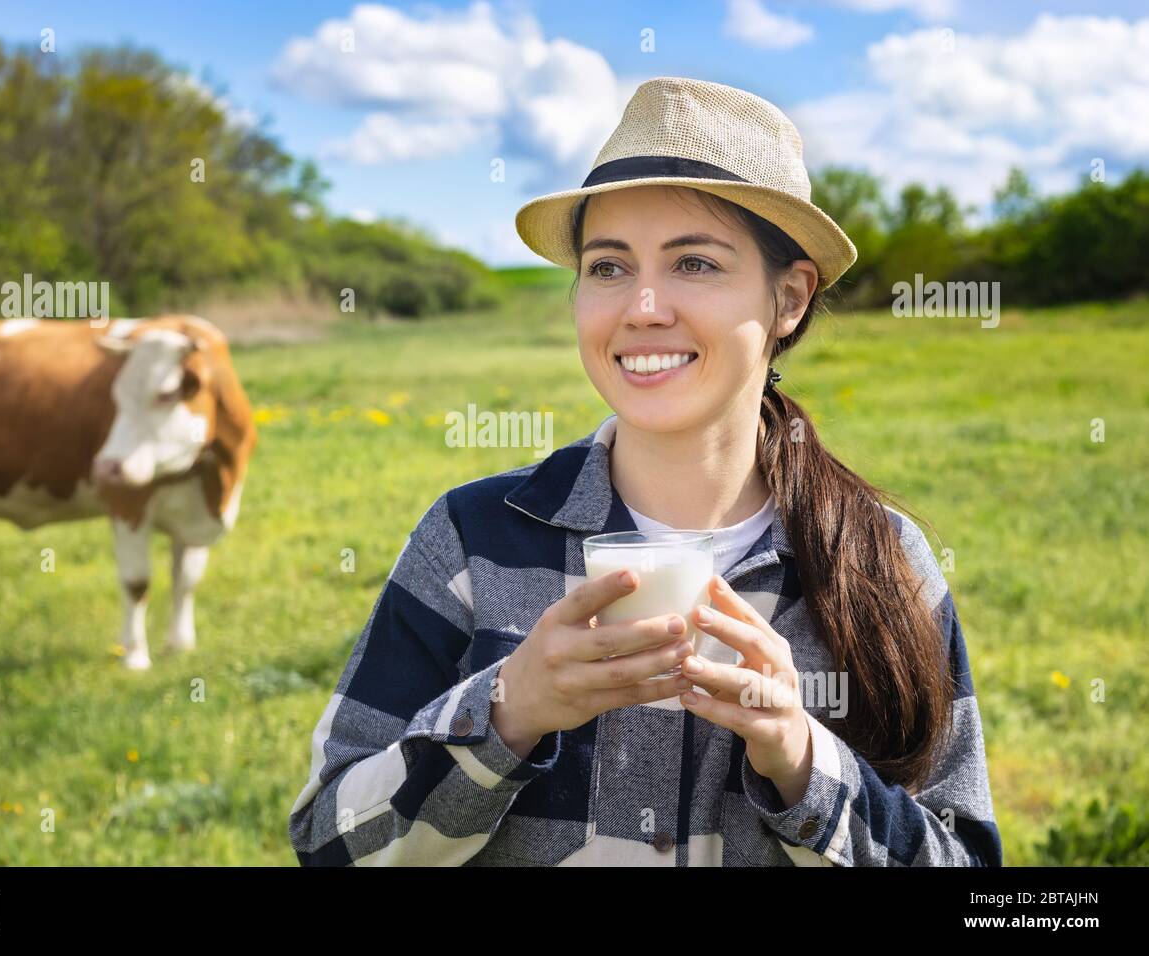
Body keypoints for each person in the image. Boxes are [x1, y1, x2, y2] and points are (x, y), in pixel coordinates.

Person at [288, 76, 1002, 866]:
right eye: (607, 267)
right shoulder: (469, 539)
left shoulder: (884, 562)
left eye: (694, 263)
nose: (643, 306)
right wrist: (507, 712)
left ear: (790, 298)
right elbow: (327, 844)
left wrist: (804, 764)